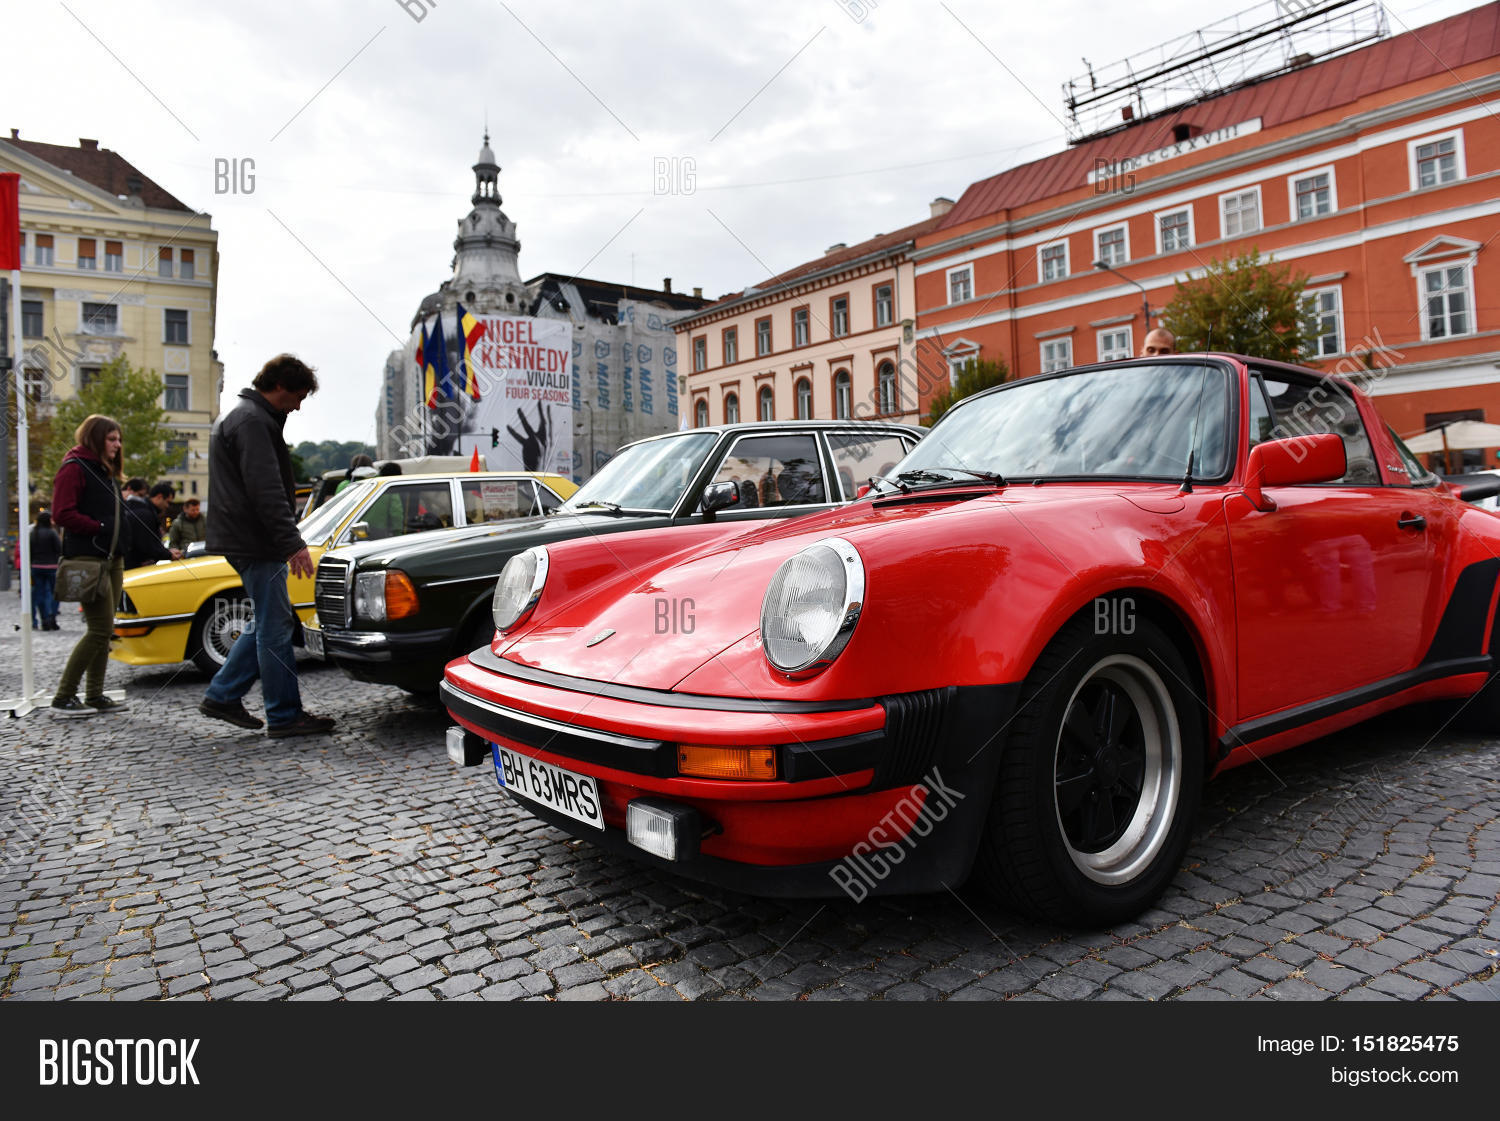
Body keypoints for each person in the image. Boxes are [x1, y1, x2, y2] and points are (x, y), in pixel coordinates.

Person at [199, 354, 335, 737]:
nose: (298, 405)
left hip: (244, 538)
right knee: (274, 626)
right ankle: (284, 715)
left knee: (267, 621)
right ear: (278, 386)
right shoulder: (254, 421)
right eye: (297, 396)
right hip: (255, 540)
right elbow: (267, 490)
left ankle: (223, 694)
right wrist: (293, 544)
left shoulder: (242, 416)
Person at [49, 415, 130, 717]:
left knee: (105, 630)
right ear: (96, 439)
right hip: (89, 559)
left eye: (119, 439)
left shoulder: (104, 472)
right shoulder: (74, 468)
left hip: (111, 559)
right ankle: (64, 696)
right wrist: (99, 527)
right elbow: (61, 514)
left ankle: (95, 694)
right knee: (99, 630)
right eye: (112, 439)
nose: (117, 445)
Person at [123, 479, 181, 569]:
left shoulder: (137, 510)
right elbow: (147, 546)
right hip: (137, 567)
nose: (167, 506)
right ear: (159, 497)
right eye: (168, 502)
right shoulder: (146, 514)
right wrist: (168, 554)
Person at [30, 510, 62, 631]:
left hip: (36, 567)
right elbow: (59, 549)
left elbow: (30, 551)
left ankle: (44, 618)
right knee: (54, 593)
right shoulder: (51, 533)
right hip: (51, 567)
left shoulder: (34, 533)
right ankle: (52, 616)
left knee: (39, 594)